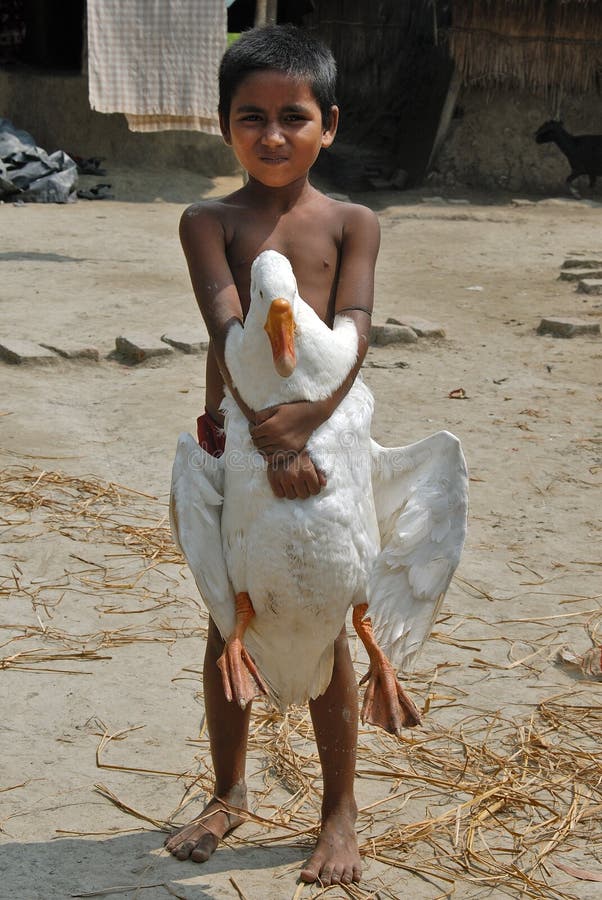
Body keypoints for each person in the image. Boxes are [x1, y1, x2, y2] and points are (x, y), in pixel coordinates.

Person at [165, 24, 380, 887]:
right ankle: (229, 791)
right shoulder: (207, 221)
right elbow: (227, 328)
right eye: (251, 117)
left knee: (325, 615)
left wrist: (309, 421)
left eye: (294, 116)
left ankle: (339, 810)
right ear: (225, 126)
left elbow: (358, 328)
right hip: (243, 435)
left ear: (329, 123)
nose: (273, 135)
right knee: (233, 613)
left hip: (328, 435)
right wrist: (253, 428)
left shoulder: (353, 222)